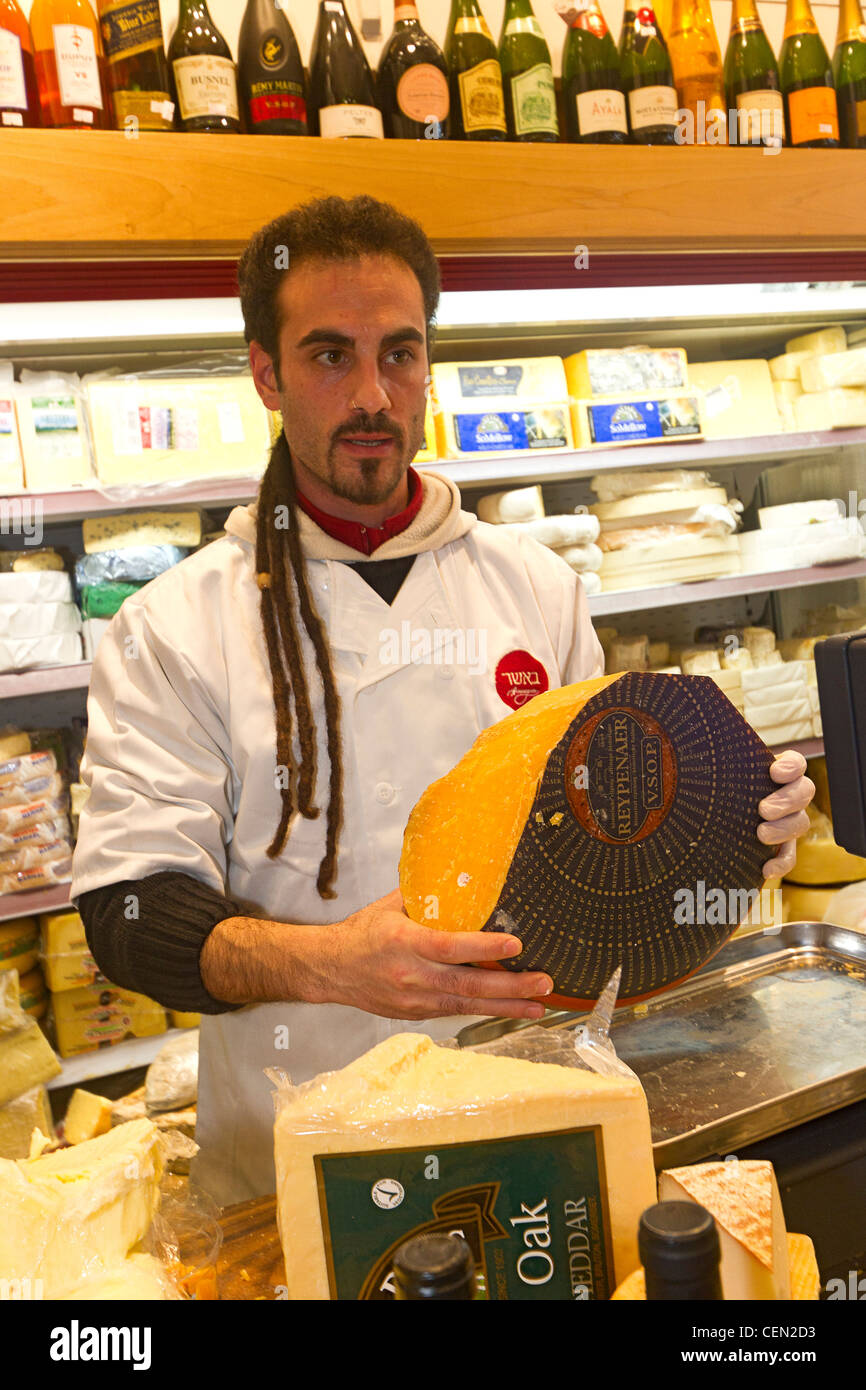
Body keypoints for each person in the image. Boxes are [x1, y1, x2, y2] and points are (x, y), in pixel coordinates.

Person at [71, 196, 815, 1206]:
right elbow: (129, 913)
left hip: (535, 1130)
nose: (373, 394)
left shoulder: (533, 589)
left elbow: (612, 855)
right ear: (264, 374)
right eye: (330, 355)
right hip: (295, 1155)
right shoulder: (174, 624)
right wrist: (336, 964)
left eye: (400, 353)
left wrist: (730, 840)